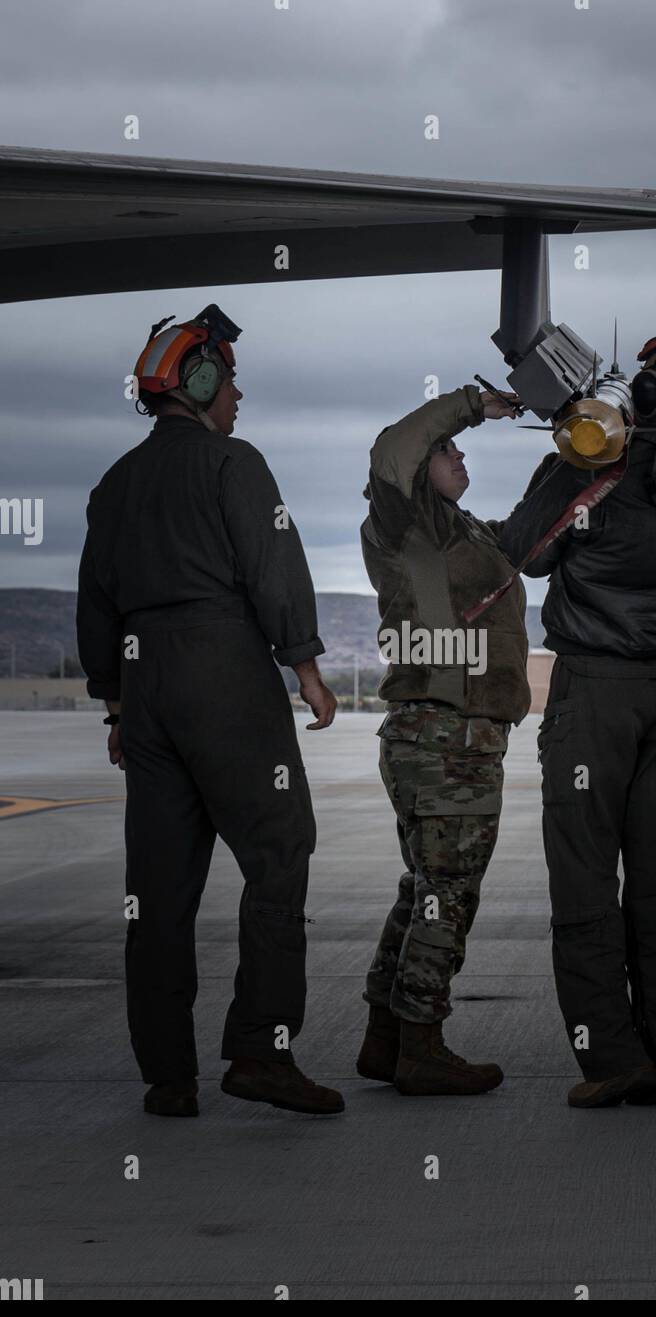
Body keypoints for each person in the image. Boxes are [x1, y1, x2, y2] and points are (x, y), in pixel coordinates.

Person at [76, 304, 343, 1118]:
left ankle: (168, 1075)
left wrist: (119, 707)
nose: (238, 396)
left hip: (144, 684)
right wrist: (306, 667)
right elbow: (273, 568)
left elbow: (96, 605)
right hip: (222, 670)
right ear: (197, 382)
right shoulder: (235, 464)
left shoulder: (114, 483)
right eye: (229, 380)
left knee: (156, 888)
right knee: (279, 850)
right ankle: (261, 1051)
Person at [499, 332, 656, 1108]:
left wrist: (578, 453)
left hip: (595, 693)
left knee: (584, 878)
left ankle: (610, 1056)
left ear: (642, 400)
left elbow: (522, 551)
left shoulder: (598, 474)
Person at [356, 382, 528, 1096]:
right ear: (422, 461)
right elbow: (391, 449)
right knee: (449, 892)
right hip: (444, 731)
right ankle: (422, 1043)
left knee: (426, 885)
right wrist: (469, 403)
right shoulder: (407, 523)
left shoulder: (464, 530)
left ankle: (386, 1037)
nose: (462, 458)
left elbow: (534, 532)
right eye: (449, 450)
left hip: (453, 731)